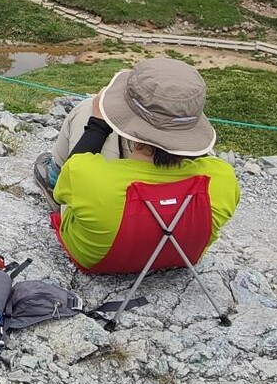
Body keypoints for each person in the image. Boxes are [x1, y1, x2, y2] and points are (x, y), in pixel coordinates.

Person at [33, 59, 241, 270]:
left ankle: (53, 174)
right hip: (182, 256)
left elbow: (75, 166)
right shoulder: (223, 178)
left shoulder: (87, 176)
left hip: (97, 259)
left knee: (86, 108)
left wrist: (98, 124)